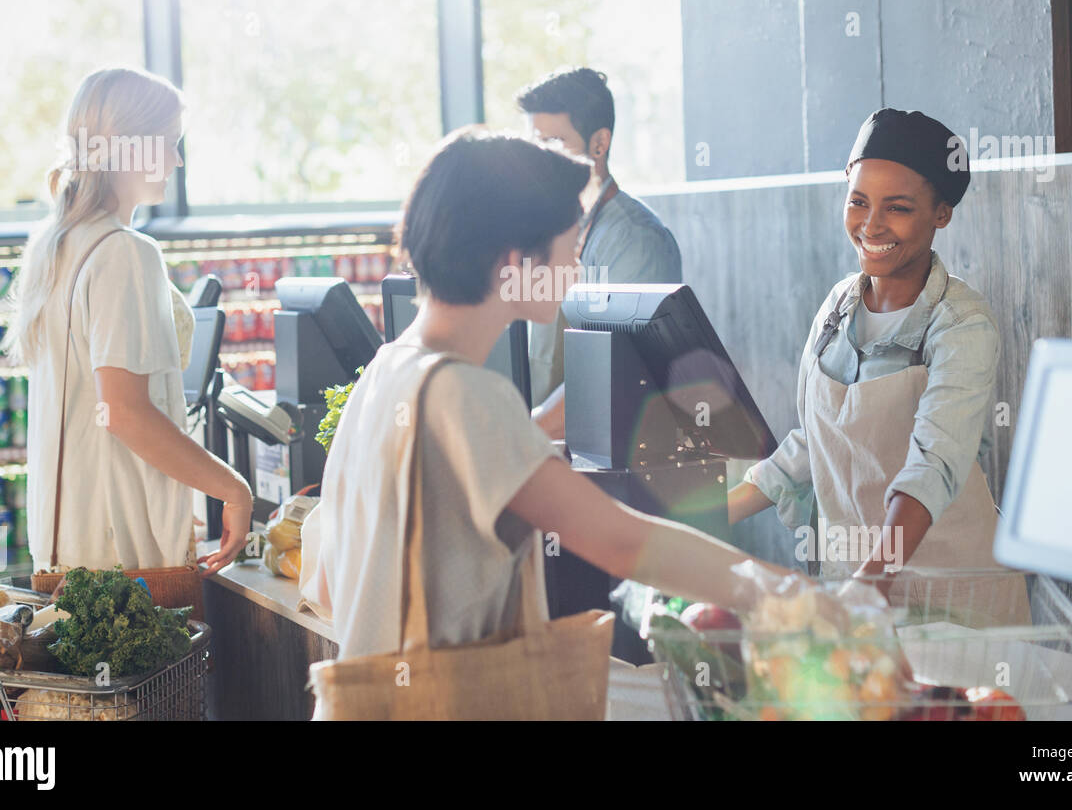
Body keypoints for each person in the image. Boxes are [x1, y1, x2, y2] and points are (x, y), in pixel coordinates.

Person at [303, 130, 786, 660]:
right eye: (569, 249)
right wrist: (789, 593)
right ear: (518, 261)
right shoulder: (466, 393)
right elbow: (625, 543)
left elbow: (324, 583)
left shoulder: (383, 371)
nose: (575, 271)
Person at [726, 108, 1028, 625]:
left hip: (953, 604)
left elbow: (933, 465)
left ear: (941, 214)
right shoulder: (837, 306)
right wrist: (710, 516)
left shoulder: (962, 324)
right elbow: (815, 440)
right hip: (857, 593)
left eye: (899, 208)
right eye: (858, 202)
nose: (871, 224)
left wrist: (869, 583)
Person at [7, 67, 251, 579]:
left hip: (67, 547)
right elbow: (124, 412)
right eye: (169, 143)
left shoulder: (53, 243)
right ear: (130, 147)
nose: (178, 159)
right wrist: (233, 488)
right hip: (126, 555)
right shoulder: (124, 252)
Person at [515, 68, 682, 440]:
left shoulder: (637, 240)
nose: (539, 161)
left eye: (554, 143)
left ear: (599, 143)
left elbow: (612, 373)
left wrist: (518, 440)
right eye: (534, 145)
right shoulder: (546, 230)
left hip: (611, 463)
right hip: (545, 453)